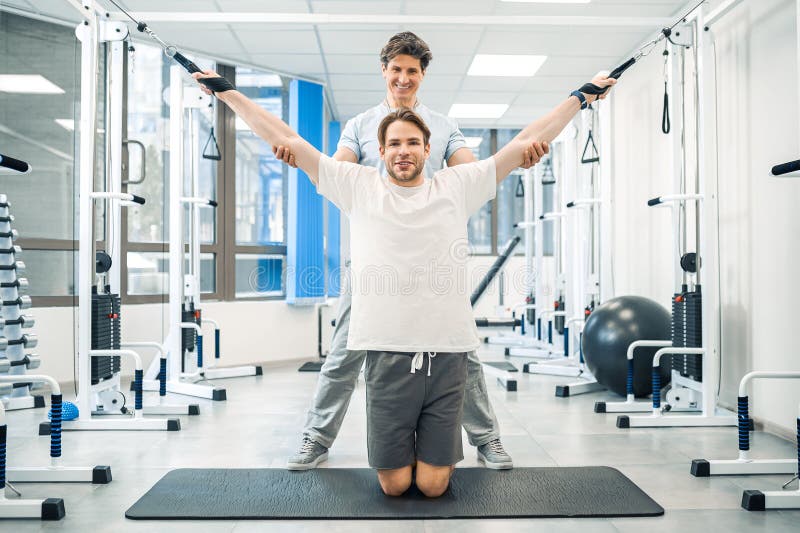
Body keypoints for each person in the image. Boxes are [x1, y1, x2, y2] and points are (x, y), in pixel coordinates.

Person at [193, 64, 615, 498]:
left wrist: (581, 96)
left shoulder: (456, 185)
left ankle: (474, 439)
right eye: (394, 143)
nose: (403, 150)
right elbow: (286, 140)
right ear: (380, 149)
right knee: (392, 482)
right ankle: (324, 438)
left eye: (413, 142)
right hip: (384, 335)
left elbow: (525, 140)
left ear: (428, 147)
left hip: (443, 338)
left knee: (433, 485)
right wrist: (226, 91)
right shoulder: (356, 183)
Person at [276, 32, 543, 472]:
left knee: (462, 353)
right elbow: (337, 168)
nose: (403, 78)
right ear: (384, 71)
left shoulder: (442, 126)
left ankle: (487, 438)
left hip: (435, 261)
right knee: (345, 351)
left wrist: (518, 158)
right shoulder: (361, 125)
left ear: (422, 76)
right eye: (396, 70)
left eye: (412, 72)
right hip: (374, 262)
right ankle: (316, 438)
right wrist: (302, 159)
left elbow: (475, 173)